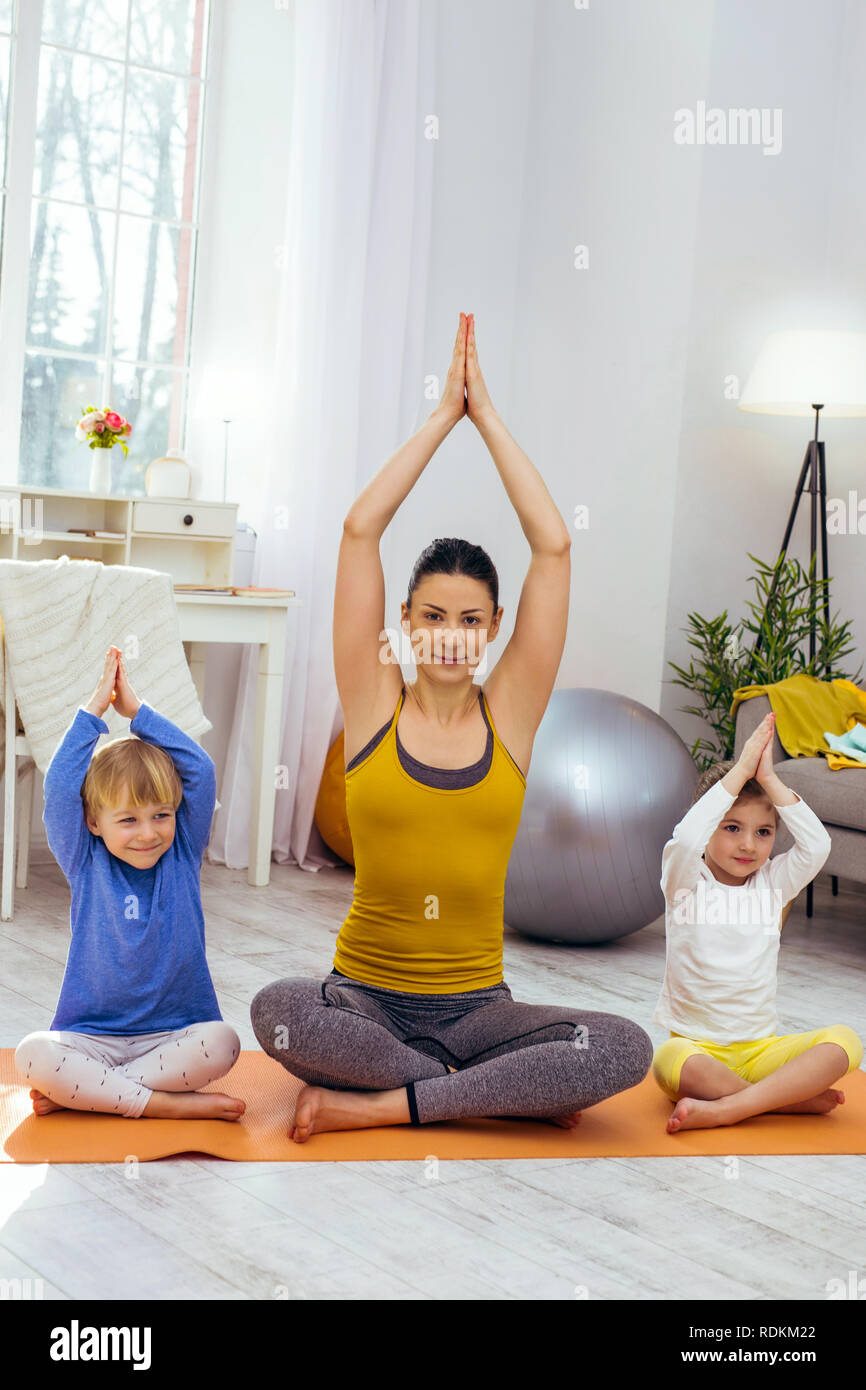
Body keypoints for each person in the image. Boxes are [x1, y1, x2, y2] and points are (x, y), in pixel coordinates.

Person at [251, 311, 653, 1143]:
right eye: (430, 613)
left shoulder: (510, 714)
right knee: (279, 1012)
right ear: (404, 617)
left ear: (494, 627)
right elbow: (360, 529)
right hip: (360, 1000)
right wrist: (441, 417)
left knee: (622, 1046)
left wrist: (488, 418)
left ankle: (388, 1103)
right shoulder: (374, 703)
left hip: (478, 1013)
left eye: (469, 619)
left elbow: (553, 550)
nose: (447, 633)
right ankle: (482, 1094)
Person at [15, 647, 244, 1121]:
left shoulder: (181, 854)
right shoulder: (83, 859)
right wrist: (94, 713)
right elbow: (59, 788)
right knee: (31, 1055)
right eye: (128, 820)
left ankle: (92, 1095)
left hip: (172, 1035)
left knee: (224, 1042)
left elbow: (200, 770)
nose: (148, 833)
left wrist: (137, 713)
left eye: (161, 815)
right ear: (94, 822)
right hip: (91, 1037)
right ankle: (162, 1105)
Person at [652, 710, 863, 1132]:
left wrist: (770, 780)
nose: (749, 844)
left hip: (761, 1051)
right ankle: (782, 1102)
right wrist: (740, 770)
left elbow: (818, 845)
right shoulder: (685, 883)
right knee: (667, 1063)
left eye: (763, 832)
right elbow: (686, 838)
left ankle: (731, 1107)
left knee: (846, 1043)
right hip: (698, 1052)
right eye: (732, 827)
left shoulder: (772, 885)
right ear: (711, 824)